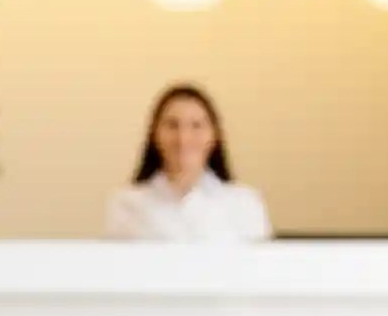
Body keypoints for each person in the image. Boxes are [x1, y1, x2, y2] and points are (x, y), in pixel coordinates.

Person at [107, 84, 272, 242]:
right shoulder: (127, 204)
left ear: (215, 136)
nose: (183, 138)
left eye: (197, 126)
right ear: (154, 135)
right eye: (172, 125)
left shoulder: (245, 203)